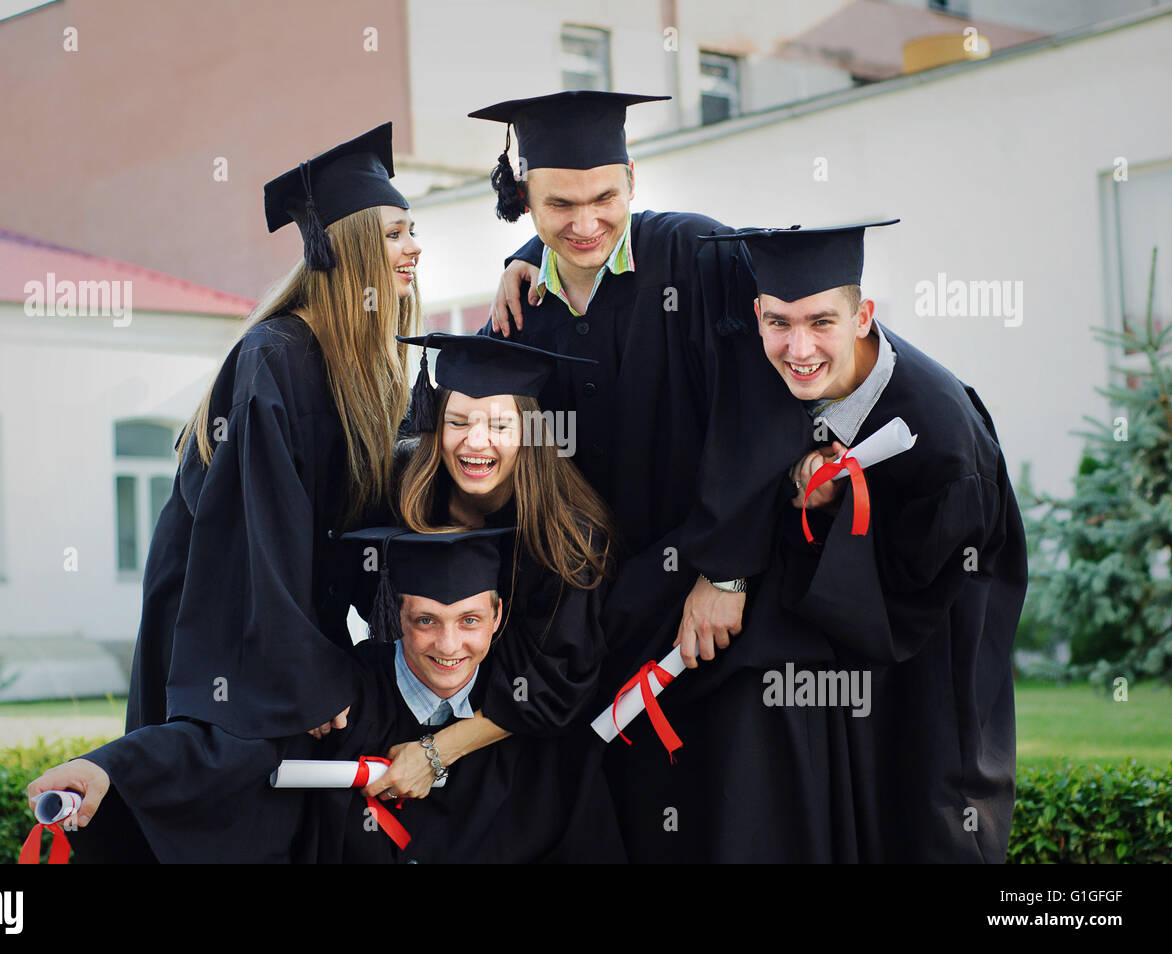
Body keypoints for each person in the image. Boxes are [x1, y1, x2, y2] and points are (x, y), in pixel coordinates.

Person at [25, 122, 423, 863]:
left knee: (302, 791)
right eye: (396, 232)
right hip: (217, 622)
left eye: (414, 230)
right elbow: (258, 537)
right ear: (352, 248)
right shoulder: (275, 359)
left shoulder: (362, 370)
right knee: (242, 793)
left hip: (279, 623)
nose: (414, 248)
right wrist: (308, 677)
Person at [470, 91, 808, 860]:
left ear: (632, 178)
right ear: (524, 197)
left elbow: (760, 411)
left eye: (604, 198)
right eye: (559, 204)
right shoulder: (525, 309)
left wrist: (726, 572)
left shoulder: (701, 256)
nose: (585, 223)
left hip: (710, 594)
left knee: (721, 796)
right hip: (603, 605)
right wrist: (520, 260)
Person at [670, 219, 1027, 861]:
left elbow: (900, 612)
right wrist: (526, 258)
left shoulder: (943, 442)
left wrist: (832, 515)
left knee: (926, 824)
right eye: (778, 322)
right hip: (840, 674)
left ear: (863, 315)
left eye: (820, 322)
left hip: (928, 667)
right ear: (756, 316)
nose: (797, 346)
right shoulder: (782, 378)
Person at [354, 332, 618, 805]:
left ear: (531, 431)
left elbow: (556, 687)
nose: (475, 442)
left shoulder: (566, 534)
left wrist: (434, 753)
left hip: (516, 759)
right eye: (457, 421)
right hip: (396, 721)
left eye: (499, 425)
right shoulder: (400, 489)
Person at [297, 526, 624, 863]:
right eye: (426, 620)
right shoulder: (341, 705)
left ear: (497, 617)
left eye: (469, 620)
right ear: (397, 615)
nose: (449, 646)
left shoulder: (534, 724)